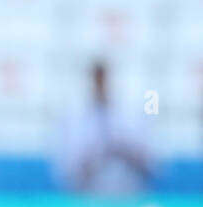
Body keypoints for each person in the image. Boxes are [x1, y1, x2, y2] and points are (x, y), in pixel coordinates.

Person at [54, 60, 153, 195]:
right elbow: (65, 171)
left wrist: (125, 150)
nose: (101, 84)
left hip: (129, 196)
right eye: (97, 79)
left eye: (104, 78)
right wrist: (93, 157)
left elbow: (153, 165)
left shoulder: (132, 115)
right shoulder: (74, 118)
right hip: (88, 200)